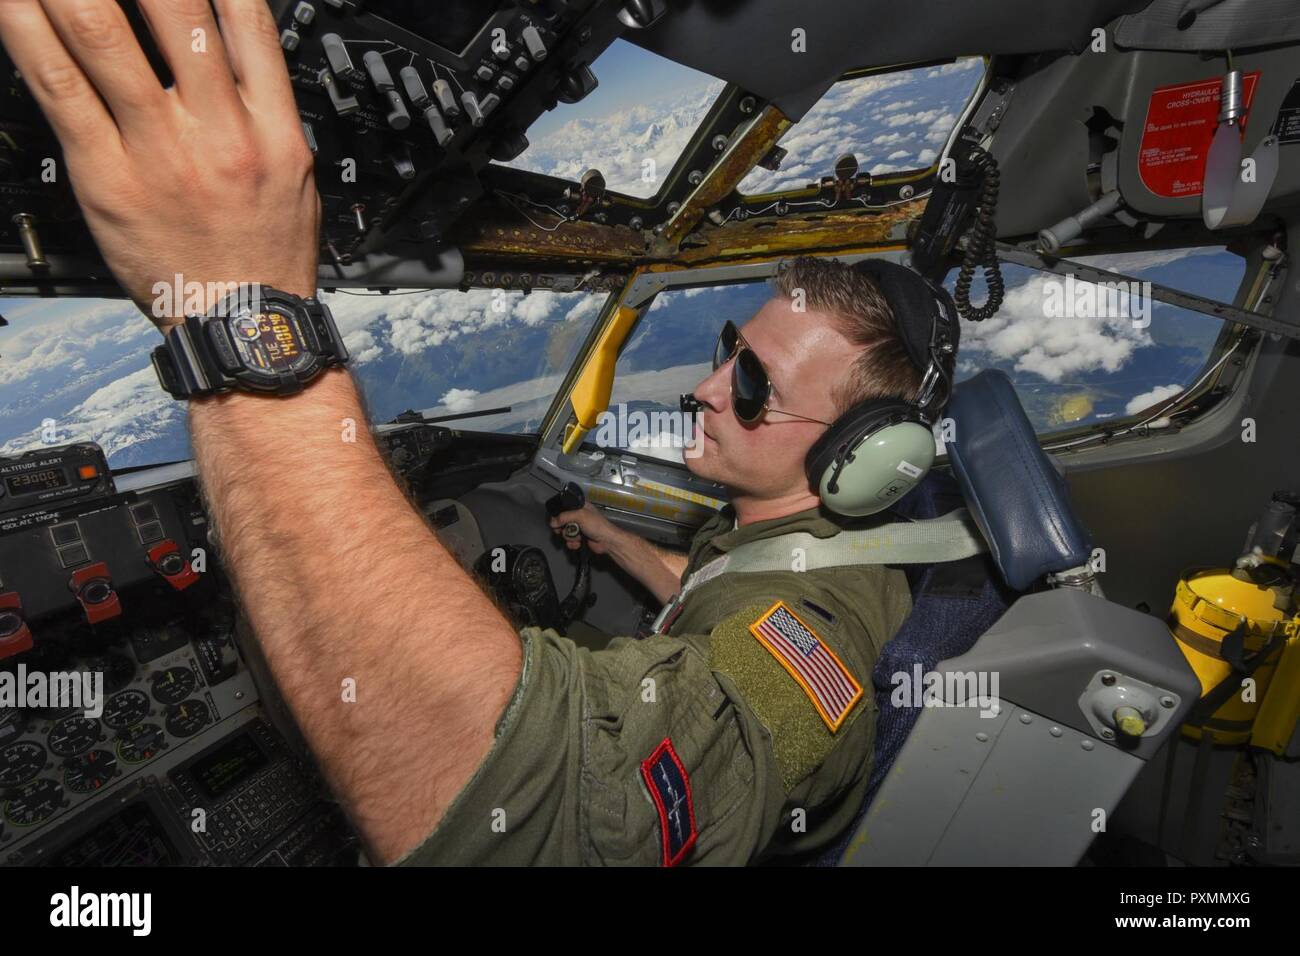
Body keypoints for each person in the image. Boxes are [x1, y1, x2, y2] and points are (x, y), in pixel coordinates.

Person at [0, 1, 916, 865]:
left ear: (856, 456)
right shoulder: (784, 542)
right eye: (728, 348)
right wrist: (612, 538)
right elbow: (716, 587)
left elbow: (556, 823)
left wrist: (238, 316)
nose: (709, 388)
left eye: (754, 384)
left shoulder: (813, 640)